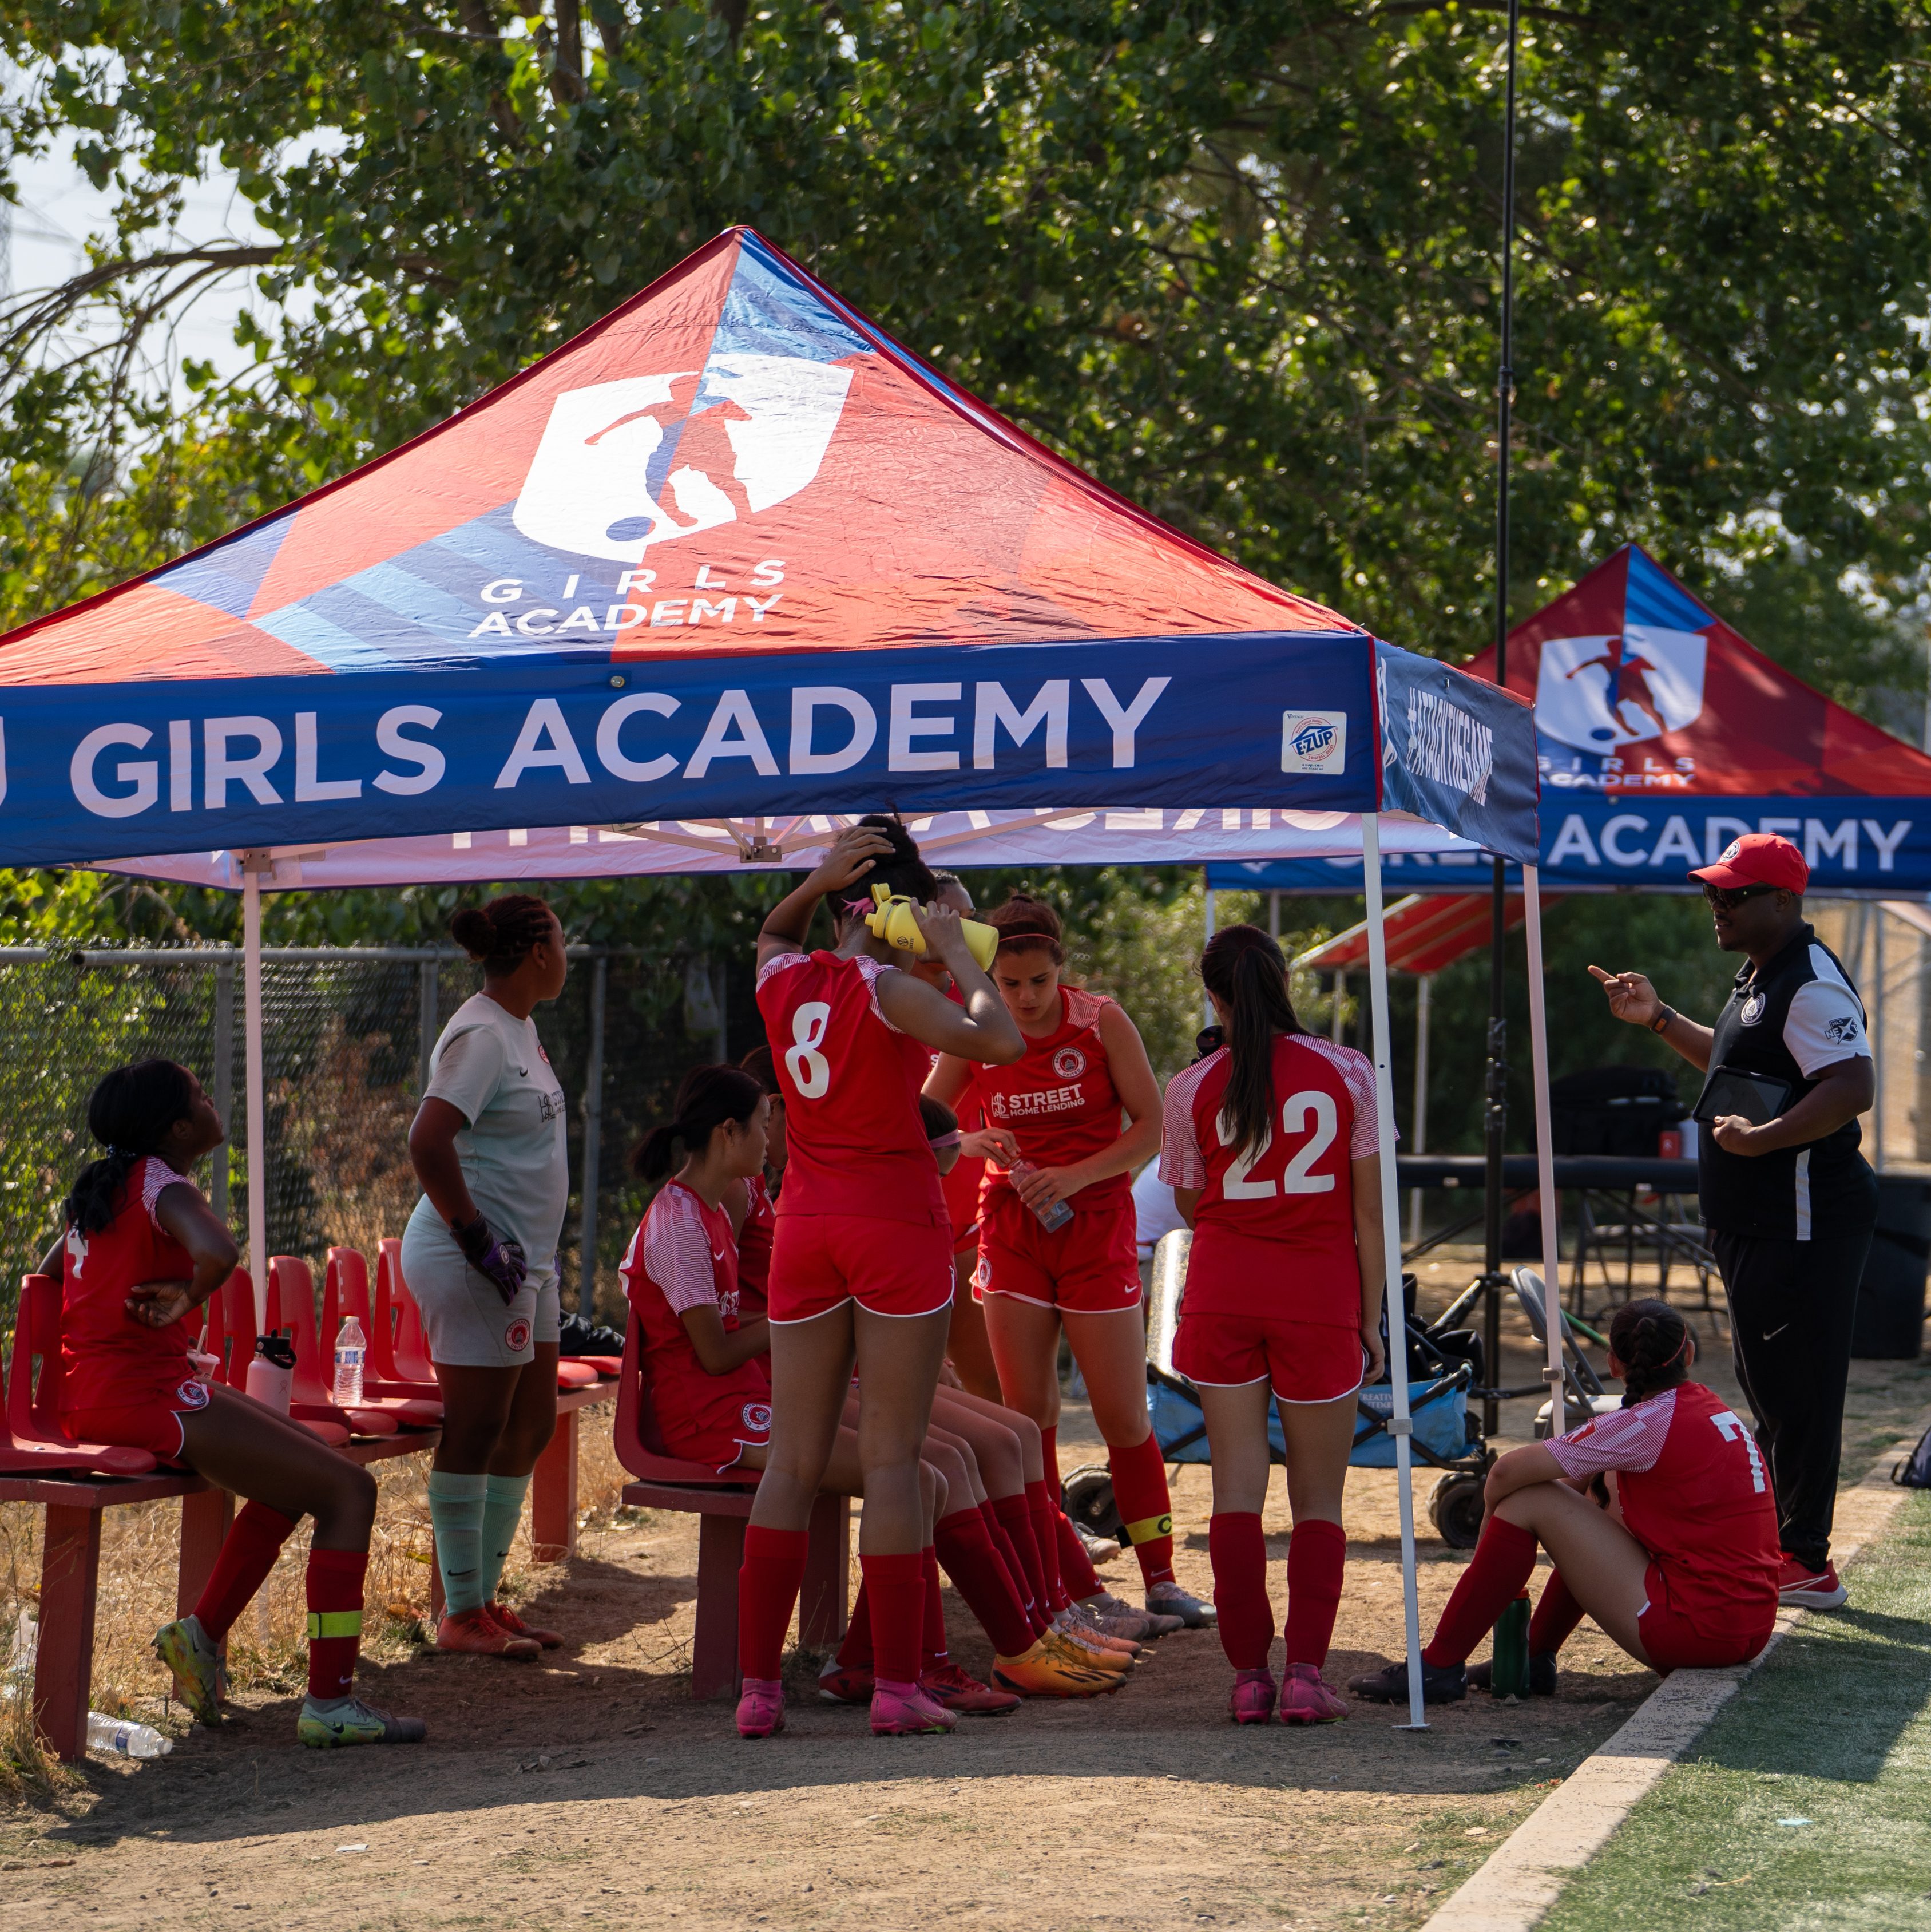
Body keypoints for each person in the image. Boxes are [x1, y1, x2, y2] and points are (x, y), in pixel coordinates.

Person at [38, 1059, 422, 1749]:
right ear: (179, 1128)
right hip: (140, 1396)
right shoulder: (160, 1183)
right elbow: (221, 1249)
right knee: (352, 1494)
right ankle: (330, 1705)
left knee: (306, 1476)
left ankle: (200, 1637)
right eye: (201, 1097)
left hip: (112, 1391)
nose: (216, 1104)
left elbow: (45, 1282)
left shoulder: (100, 1190)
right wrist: (186, 1298)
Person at [740, 817, 1026, 1739]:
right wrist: (959, 953)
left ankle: (756, 1692)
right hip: (892, 1225)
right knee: (893, 1460)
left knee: (791, 1461)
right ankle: (899, 1685)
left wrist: (819, 880)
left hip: (806, 1226)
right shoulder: (893, 990)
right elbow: (999, 1041)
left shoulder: (786, 980)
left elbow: (774, 935)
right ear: (892, 913)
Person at [1588, 832, 1877, 1609]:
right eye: (1712, 891)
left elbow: (1850, 1086)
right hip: (1758, 1218)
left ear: (1781, 901)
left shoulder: (1808, 981)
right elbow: (1728, 1063)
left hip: (1803, 1218)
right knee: (1768, 1384)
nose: (1714, 904)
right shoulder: (1760, 976)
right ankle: (1781, 1543)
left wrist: (1762, 1139)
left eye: (1732, 893)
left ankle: (1804, 1559)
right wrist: (1656, 1019)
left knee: (1799, 1390)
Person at [926, 892, 1210, 1634]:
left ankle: (1161, 1580)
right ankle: (1054, 1579)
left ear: (1061, 971)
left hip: (1094, 1233)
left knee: (1120, 1415)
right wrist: (967, 1142)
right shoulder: (976, 1025)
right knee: (1029, 1418)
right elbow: (925, 1121)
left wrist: (1079, 1175)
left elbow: (1150, 1125)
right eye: (1009, 984)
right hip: (1012, 1232)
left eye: (1036, 983)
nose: (1022, 999)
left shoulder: (1099, 1020)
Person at [1160, 924, 1389, 1724]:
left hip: (1223, 1291)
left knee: (1234, 1492)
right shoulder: (1347, 1072)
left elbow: (1190, 1202)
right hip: (1317, 1296)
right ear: (1283, 980)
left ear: (1212, 994)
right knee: (1318, 1500)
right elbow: (1367, 1212)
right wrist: (1373, 1317)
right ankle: (1304, 1675)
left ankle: (1247, 1677)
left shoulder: (1191, 1085)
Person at [1350, 1298, 1782, 1703]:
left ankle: (1437, 1667)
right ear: (1687, 1354)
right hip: (1749, 1627)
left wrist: (1491, 1533)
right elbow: (1582, 1495)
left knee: (1528, 1502)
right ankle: (1534, 1657)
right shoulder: (1713, 1408)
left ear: (1613, 1364)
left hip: (1695, 1634)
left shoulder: (1648, 1422)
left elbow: (1506, 1472)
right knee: (1601, 1492)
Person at [402, 894, 573, 1661]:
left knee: (531, 1422)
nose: (568, 956)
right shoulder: (479, 1034)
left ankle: (482, 1600)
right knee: (475, 1426)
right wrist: (477, 1238)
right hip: (476, 1261)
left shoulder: (520, 1028)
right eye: (562, 942)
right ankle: (458, 1611)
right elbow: (429, 1140)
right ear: (538, 953)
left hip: (524, 1265)